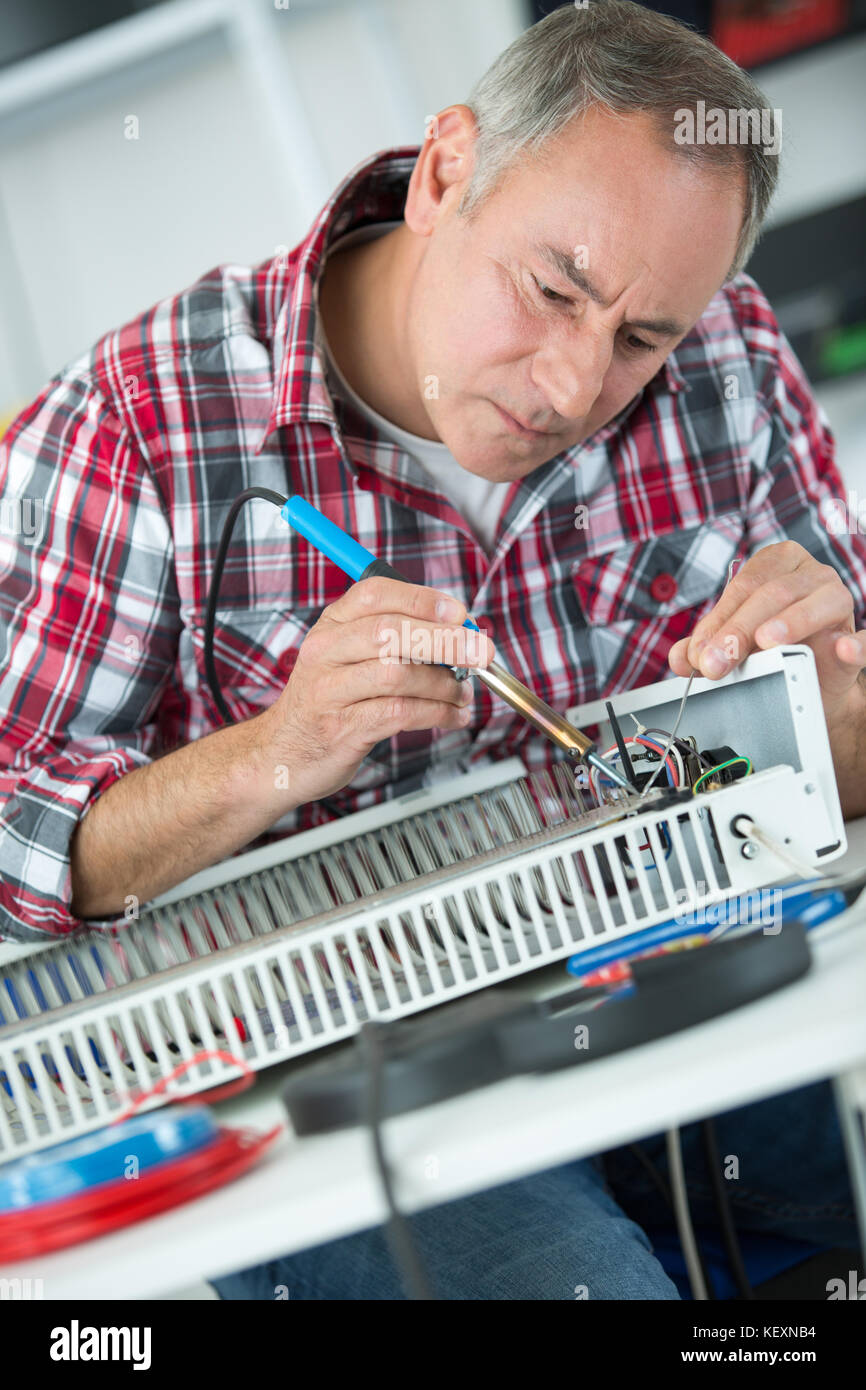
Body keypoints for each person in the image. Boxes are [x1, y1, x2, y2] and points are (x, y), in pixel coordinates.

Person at [0, 1, 862, 1297]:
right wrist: (270, 758)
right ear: (446, 170)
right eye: (551, 288)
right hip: (342, 1070)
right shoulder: (133, 427)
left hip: (684, 968)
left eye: (637, 338)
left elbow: (841, 774)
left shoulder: (724, 356)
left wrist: (827, 685)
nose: (573, 385)